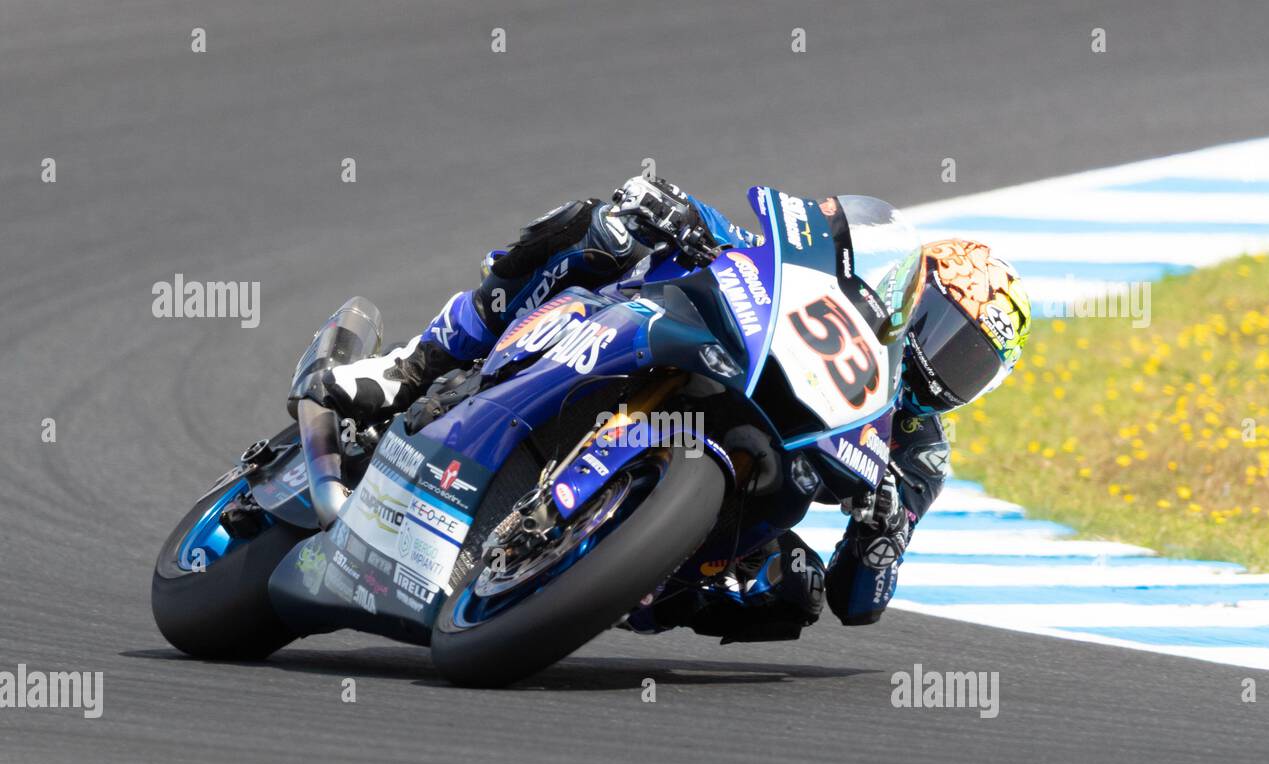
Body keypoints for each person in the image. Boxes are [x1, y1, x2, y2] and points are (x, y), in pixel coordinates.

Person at [301, 176, 1032, 640]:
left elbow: (861, 601)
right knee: (605, 224)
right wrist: (676, 210)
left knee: (796, 590)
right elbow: (758, 251)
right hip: (717, 361)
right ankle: (410, 365)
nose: (947, 365)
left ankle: (638, 575)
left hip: (753, 496)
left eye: (974, 363)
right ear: (911, 293)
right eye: (946, 332)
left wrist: (876, 539)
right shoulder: (846, 307)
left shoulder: (923, 453)